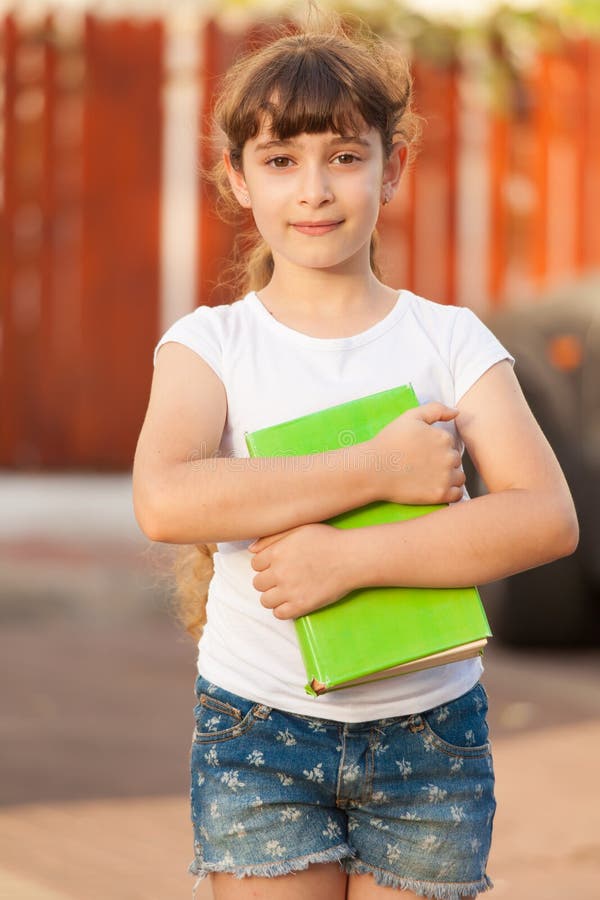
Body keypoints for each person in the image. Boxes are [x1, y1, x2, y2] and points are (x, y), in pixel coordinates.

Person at [132, 11, 578, 900]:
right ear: (238, 177)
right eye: (281, 160)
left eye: (344, 156)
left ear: (393, 166)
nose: (314, 190)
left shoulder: (450, 339)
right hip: (259, 732)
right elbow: (165, 499)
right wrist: (377, 471)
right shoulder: (210, 345)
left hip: (431, 738)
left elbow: (547, 517)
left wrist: (347, 558)